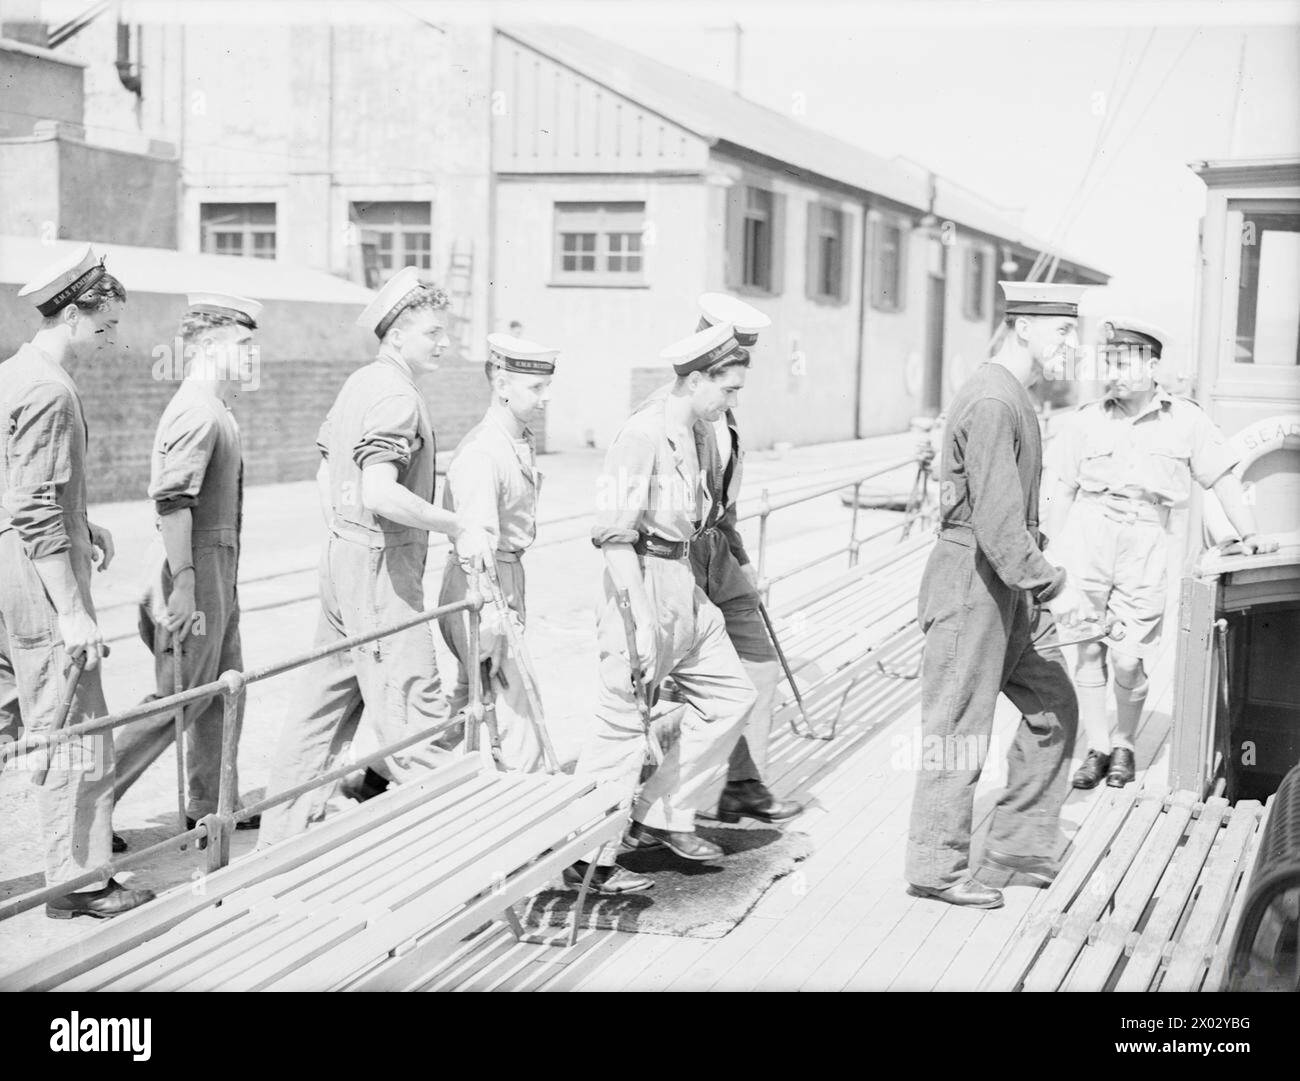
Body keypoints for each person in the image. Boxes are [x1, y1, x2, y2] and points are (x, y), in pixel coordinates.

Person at [259, 268, 492, 844]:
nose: (444, 342)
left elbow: (323, 469)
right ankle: (470, 864)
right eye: (433, 332)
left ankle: (278, 841)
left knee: (324, 708)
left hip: (346, 561)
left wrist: (345, 536)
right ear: (395, 334)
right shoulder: (396, 395)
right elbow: (379, 490)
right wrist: (457, 523)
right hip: (381, 569)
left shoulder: (360, 382)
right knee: (417, 715)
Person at [904, 281, 1094, 911]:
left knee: (1053, 704)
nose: (1072, 343)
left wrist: (1034, 585)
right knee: (958, 726)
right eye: (1063, 331)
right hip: (972, 582)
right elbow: (997, 521)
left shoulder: (1014, 395)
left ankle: (1016, 843)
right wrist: (1053, 586)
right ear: (1024, 327)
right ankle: (935, 866)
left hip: (1004, 584)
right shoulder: (992, 399)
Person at [1044, 316, 1278, 790]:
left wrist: (1249, 533)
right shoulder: (1084, 420)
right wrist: (1047, 556)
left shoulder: (1186, 420)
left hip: (1145, 544)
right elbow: (1059, 491)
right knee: (1087, 647)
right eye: (1109, 360)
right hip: (1087, 540)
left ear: (1153, 365)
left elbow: (1224, 479)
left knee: (1129, 658)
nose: (1115, 370)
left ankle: (1125, 742)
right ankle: (1097, 746)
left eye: (1125, 361)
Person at [567, 323, 758, 896]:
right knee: (623, 725)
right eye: (726, 390)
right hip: (641, 582)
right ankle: (586, 857)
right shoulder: (640, 436)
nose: (730, 402)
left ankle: (659, 812)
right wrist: (642, 619)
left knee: (732, 695)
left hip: (683, 581)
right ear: (697, 379)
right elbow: (614, 536)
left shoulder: (696, 432)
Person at [0, 245, 154, 918]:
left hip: (9, 564)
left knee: (9, 715)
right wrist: (71, 609)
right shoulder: (49, 388)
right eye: (105, 325)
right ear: (71, 313)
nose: (111, 339)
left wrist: (83, 523)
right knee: (75, 719)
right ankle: (79, 882)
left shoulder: (13, 373)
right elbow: (34, 502)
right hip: (37, 577)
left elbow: (24, 485)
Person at [644, 293, 802, 826]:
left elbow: (723, 504)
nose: (735, 387)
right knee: (672, 683)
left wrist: (743, 563)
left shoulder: (724, 415)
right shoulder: (664, 414)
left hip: (718, 555)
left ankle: (743, 784)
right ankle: (650, 803)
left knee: (757, 662)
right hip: (676, 562)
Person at [112, 293, 263, 834]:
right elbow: (172, 503)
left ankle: (211, 802)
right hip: (192, 567)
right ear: (205, 346)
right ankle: (87, 803)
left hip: (213, 566)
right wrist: (187, 583)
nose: (251, 356)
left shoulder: (217, 407)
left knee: (223, 687)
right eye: (242, 346)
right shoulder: (198, 410)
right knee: (179, 697)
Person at [436, 332, 557, 772]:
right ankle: (531, 805)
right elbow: (476, 548)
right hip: (482, 585)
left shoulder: (517, 438)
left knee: (471, 694)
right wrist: (492, 620)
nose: (545, 399)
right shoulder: (483, 453)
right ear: (502, 386)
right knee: (516, 704)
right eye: (535, 388)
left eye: (547, 386)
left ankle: (378, 776)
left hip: (506, 576)